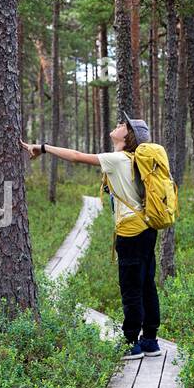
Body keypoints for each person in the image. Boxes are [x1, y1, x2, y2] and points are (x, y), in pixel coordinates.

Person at [21, 113, 161, 360]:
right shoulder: (137, 160)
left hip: (130, 232)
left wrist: (42, 148)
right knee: (147, 283)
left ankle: (131, 343)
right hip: (148, 228)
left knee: (131, 287)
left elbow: (75, 157)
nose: (118, 125)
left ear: (127, 136)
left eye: (122, 125)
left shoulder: (117, 159)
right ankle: (150, 340)